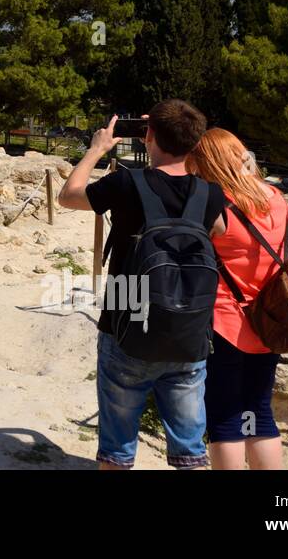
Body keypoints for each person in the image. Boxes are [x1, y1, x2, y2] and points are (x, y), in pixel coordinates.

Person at [59, 99, 226, 470]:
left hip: (125, 322)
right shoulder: (210, 193)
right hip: (189, 330)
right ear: (195, 143)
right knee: (189, 448)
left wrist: (96, 150)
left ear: (148, 135)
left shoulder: (126, 183)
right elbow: (219, 230)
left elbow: (68, 196)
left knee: (117, 447)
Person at [185, 127, 288, 470]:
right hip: (268, 321)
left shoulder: (215, 207)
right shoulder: (277, 198)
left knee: (226, 417)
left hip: (225, 322)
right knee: (257, 411)